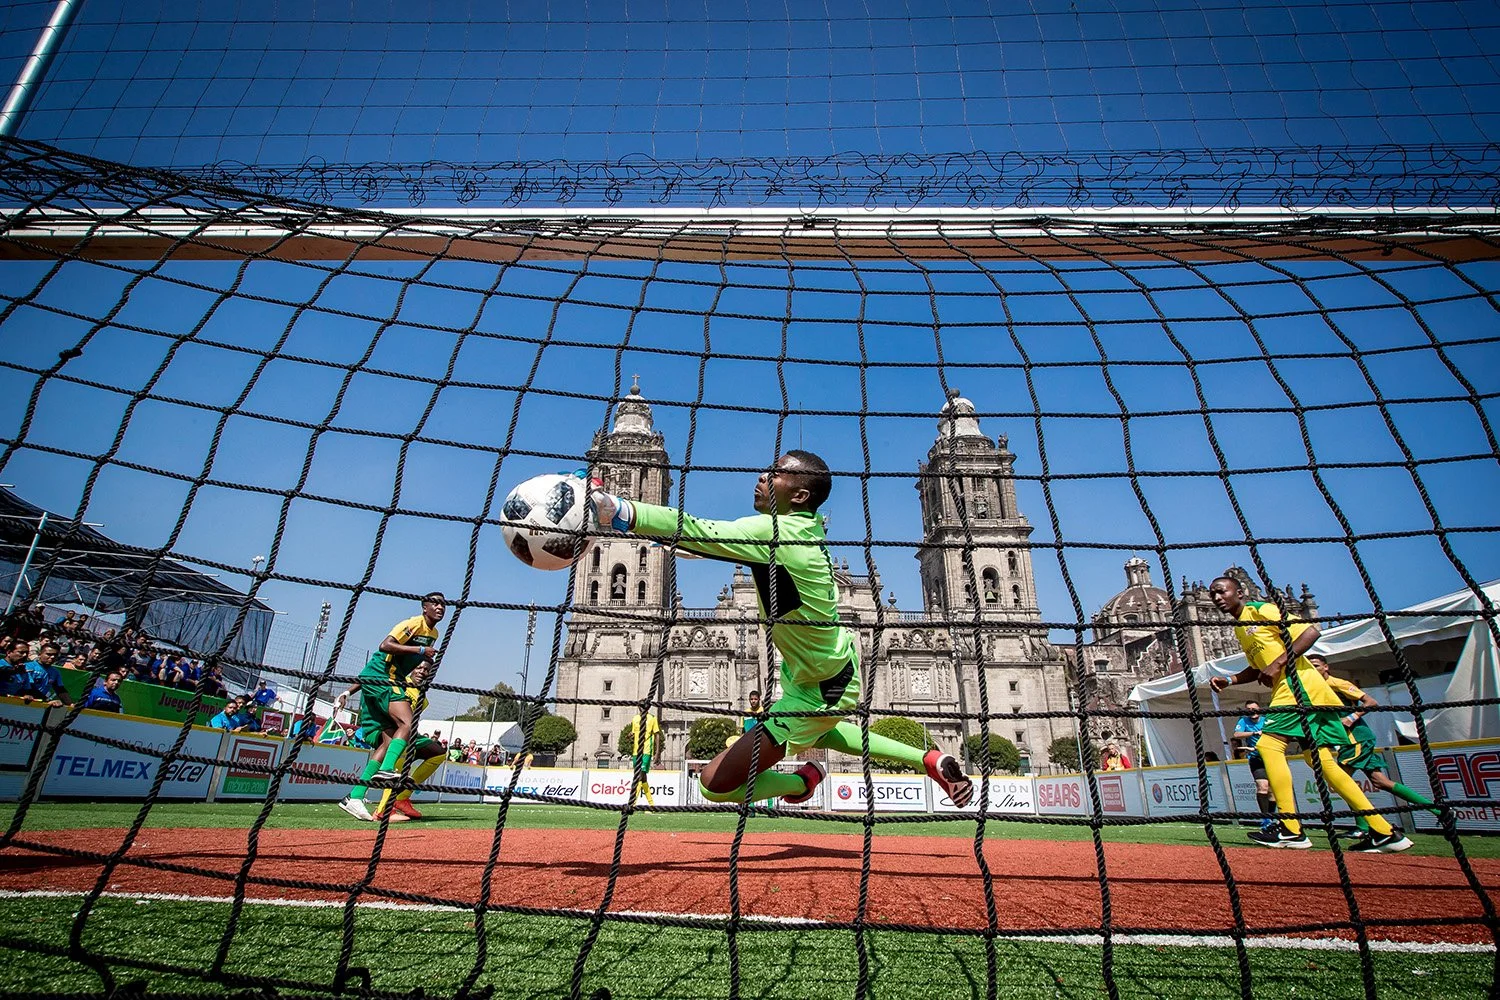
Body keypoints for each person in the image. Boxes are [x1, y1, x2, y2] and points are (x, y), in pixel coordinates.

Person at [590, 450, 973, 808]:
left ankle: (802, 784)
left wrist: (620, 510)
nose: (763, 476)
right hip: (820, 675)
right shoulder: (804, 531)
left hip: (820, 686)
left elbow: (695, 527)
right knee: (821, 730)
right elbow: (711, 542)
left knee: (712, 783)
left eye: (776, 473)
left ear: (801, 494)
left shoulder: (775, 534)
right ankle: (931, 758)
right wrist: (696, 544)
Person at [1208, 576, 1410, 852]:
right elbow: (1258, 668)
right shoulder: (1242, 627)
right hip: (1304, 691)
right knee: (1322, 763)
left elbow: (1311, 631)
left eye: (1222, 591)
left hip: (1297, 688)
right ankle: (1384, 831)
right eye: (1212, 594)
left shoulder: (1261, 610)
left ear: (1239, 592)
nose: (1217, 597)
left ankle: (1291, 829)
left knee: (1268, 746)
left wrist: (1279, 663)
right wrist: (1229, 680)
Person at [1307, 652, 1440, 840]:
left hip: (1357, 738)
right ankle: (1440, 812)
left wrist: (1351, 717)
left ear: (1326, 667)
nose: (1313, 669)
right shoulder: (1315, 687)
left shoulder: (1338, 684)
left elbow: (1371, 702)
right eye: (1310, 666)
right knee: (1381, 782)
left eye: (1317, 665)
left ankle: (1363, 826)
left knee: (1340, 781)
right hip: (1349, 740)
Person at [343, 592, 445, 798]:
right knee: (406, 723)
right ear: (424, 607)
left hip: (390, 680)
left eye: (443, 604)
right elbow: (385, 645)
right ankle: (387, 772)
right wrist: (421, 649)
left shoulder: (434, 634)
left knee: (388, 741)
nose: (440, 607)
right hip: (384, 678)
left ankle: (355, 796)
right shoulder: (413, 624)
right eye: (435, 603)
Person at [337, 660, 445, 822]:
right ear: (410, 669)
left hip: (403, 734)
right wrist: (346, 693)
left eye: (426, 669)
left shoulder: (423, 698)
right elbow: (369, 676)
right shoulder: (398, 682)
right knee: (400, 751)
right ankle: (383, 810)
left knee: (438, 753)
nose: (422, 671)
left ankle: (401, 797)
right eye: (418, 667)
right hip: (382, 728)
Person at [1230, 700, 1276, 833]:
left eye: (1254, 708)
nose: (1252, 711)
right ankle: (1265, 819)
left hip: (1271, 757)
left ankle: (1271, 818)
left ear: (1259, 709)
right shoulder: (1244, 721)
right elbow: (1237, 734)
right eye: (1249, 709)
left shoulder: (1267, 719)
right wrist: (1255, 734)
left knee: (1272, 792)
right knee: (1262, 787)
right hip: (1256, 758)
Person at [15, 642, 73, 707]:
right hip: (20, 701)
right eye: (49, 654)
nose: (52, 657)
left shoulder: (55, 672)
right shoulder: (28, 667)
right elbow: (29, 687)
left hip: (38, 704)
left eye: (55, 655)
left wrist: (70, 704)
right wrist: (46, 700)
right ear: (40, 654)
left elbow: (60, 690)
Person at [625, 709, 662, 805]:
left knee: (639, 775)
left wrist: (657, 752)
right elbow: (634, 733)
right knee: (643, 778)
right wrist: (630, 736)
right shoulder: (635, 718)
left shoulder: (652, 718)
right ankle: (651, 804)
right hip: (636, 751)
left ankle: (632, 803)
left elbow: (657, 735)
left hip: (646, 750)